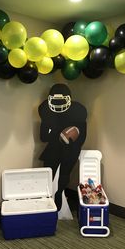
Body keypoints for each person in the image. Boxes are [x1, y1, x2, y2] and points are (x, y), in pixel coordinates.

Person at [38, 83, 87, 211]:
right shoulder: (46, 111)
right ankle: (47, 198)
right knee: (48, 172)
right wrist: (58, 134)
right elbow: (43, 137)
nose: (58, 103)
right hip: (53, 148)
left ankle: (60, 194)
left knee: (64, 175)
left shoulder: (78, 112)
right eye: (56, 100)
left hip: (70, 149)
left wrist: (70, 137)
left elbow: (81, 138)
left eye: (61, 100)